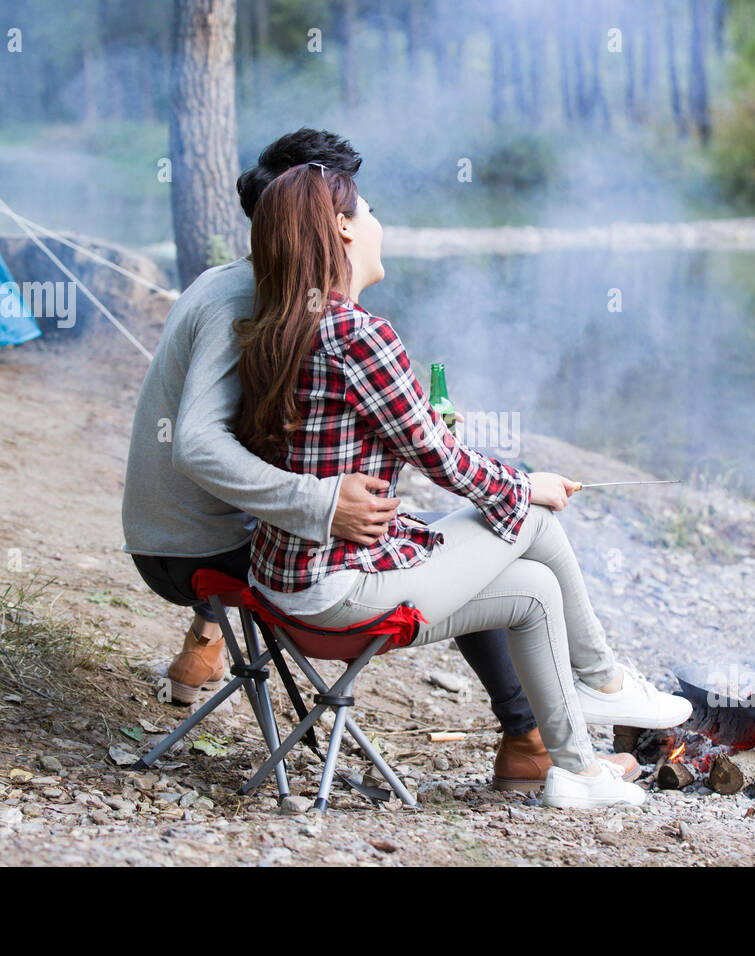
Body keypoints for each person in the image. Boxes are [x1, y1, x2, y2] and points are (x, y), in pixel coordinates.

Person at [122, 129, 600, 791]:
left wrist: (401, 434)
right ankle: (533, 733)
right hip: (195, 545)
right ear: (321, 220)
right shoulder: (248, 299)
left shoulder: (269, 293)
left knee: (445, 513)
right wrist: (326, 502)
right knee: (470, 532)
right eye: (352, 205)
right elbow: (200, 446)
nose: (369, 218)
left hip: (215, 530)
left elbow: (289, 429)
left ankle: (200, 645)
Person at [234, 162, 691, 809]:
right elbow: (439, 457)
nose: (377, 225)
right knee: (532, 518)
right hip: (336, 588)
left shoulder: (273, 329)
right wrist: (527, 484)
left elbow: (344, 438)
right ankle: (602, 679)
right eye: (368, 213)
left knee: (533, 591)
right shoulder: (357, 332)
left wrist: (431, 436)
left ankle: (575, 770)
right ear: (341, 229)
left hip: (281, 580)